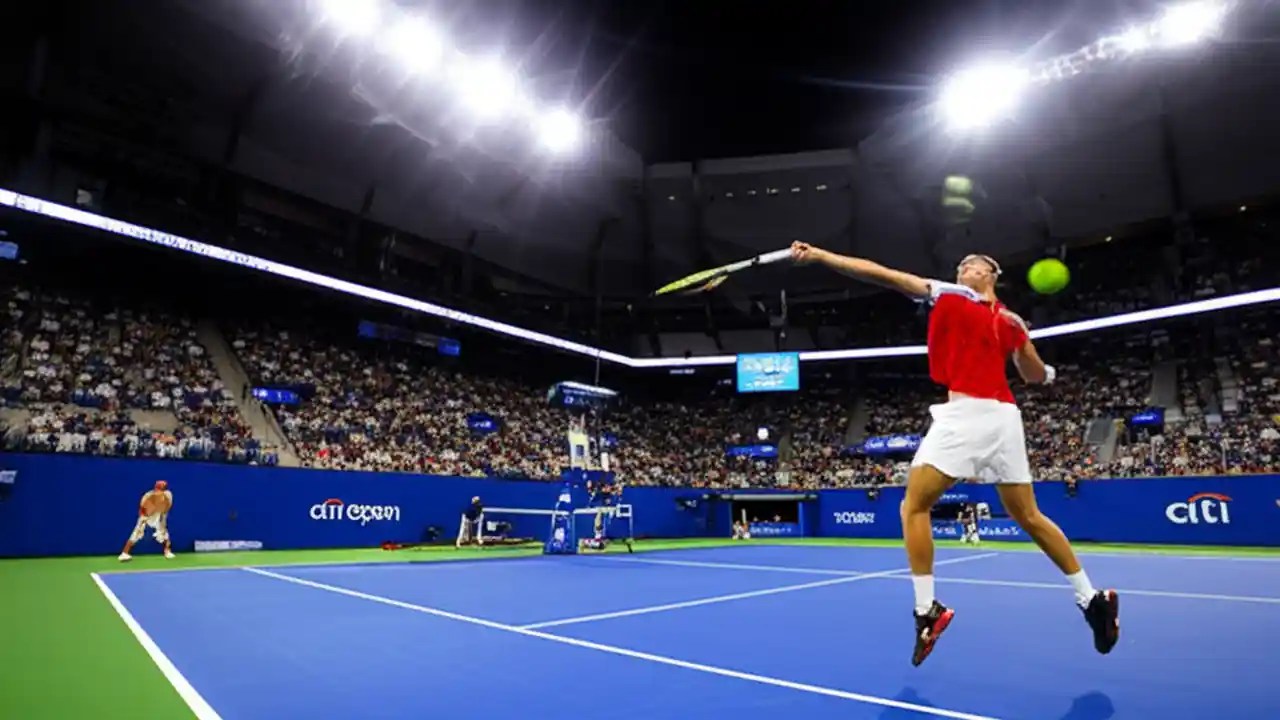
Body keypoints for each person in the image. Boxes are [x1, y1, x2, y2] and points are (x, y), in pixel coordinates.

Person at [790, 241, 1120, 666]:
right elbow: (1035, 376)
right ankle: (1091, 599)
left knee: (914, 506)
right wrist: (1037, 357)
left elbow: (880, 272)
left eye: (974, 263)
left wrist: (820, 256)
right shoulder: (1010, 320)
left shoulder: (954, 294)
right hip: (1004, 417)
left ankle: (927, 609)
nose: (964, 265)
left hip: (969, 413)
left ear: (991, 274)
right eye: (961, 263)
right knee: (1029, 517)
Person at [119, 480, 174, 562]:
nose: (159, 490)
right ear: (155, 488)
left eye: (162, 488)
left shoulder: (168, 495)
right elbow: (142, 510)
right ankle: (124, 553)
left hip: (159, 514)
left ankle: (167, 551)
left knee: (163, 531)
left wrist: (161, 513)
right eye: (158, 488)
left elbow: (167, 507)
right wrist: (145, 517)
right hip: (147, 514)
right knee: (137, 532)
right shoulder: (148, 496)